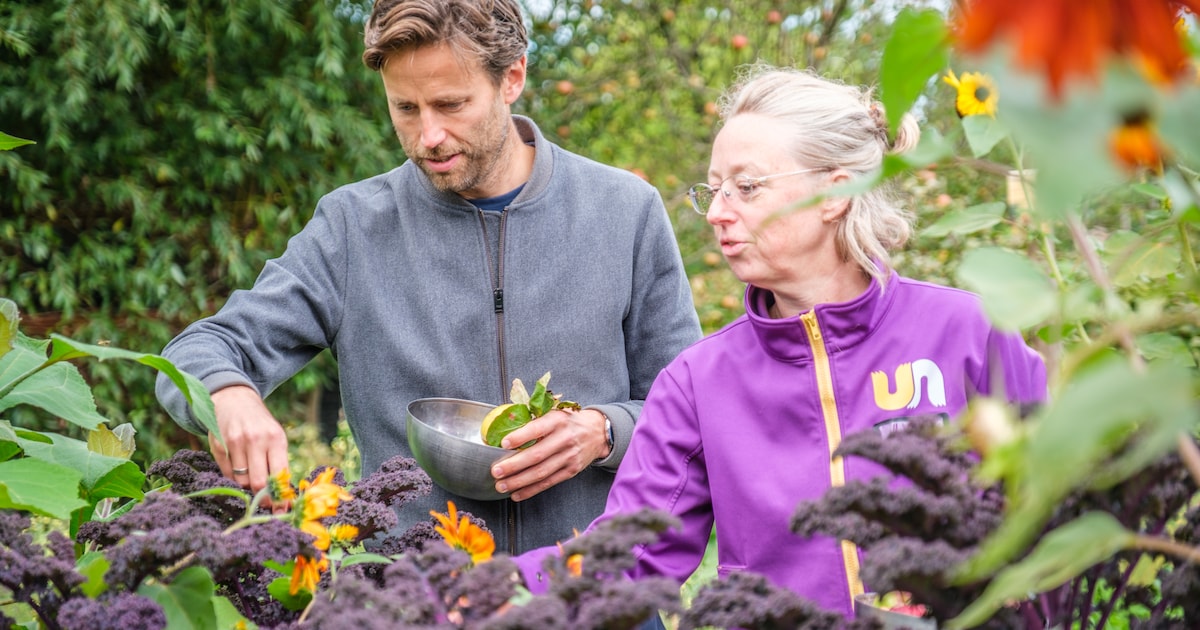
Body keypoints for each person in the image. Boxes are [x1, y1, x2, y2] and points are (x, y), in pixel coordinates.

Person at [154, 0, 701, 554]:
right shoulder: (351, 227)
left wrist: (606, 431)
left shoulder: (625, 210)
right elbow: (199, 349)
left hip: (599, 590)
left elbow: (690, 407)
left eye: (450, 104)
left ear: (512, 78)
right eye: (405, 109)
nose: (429, 135)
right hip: (412, 597)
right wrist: (227, 394)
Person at [515, 65, 1048, 617]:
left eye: (745, 188)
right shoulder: (698, 381)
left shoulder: (969, 332)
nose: (718, 212)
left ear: (835, 194)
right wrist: (470, 595)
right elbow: (627, 557)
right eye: (715, 189)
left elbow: (1059, 505)